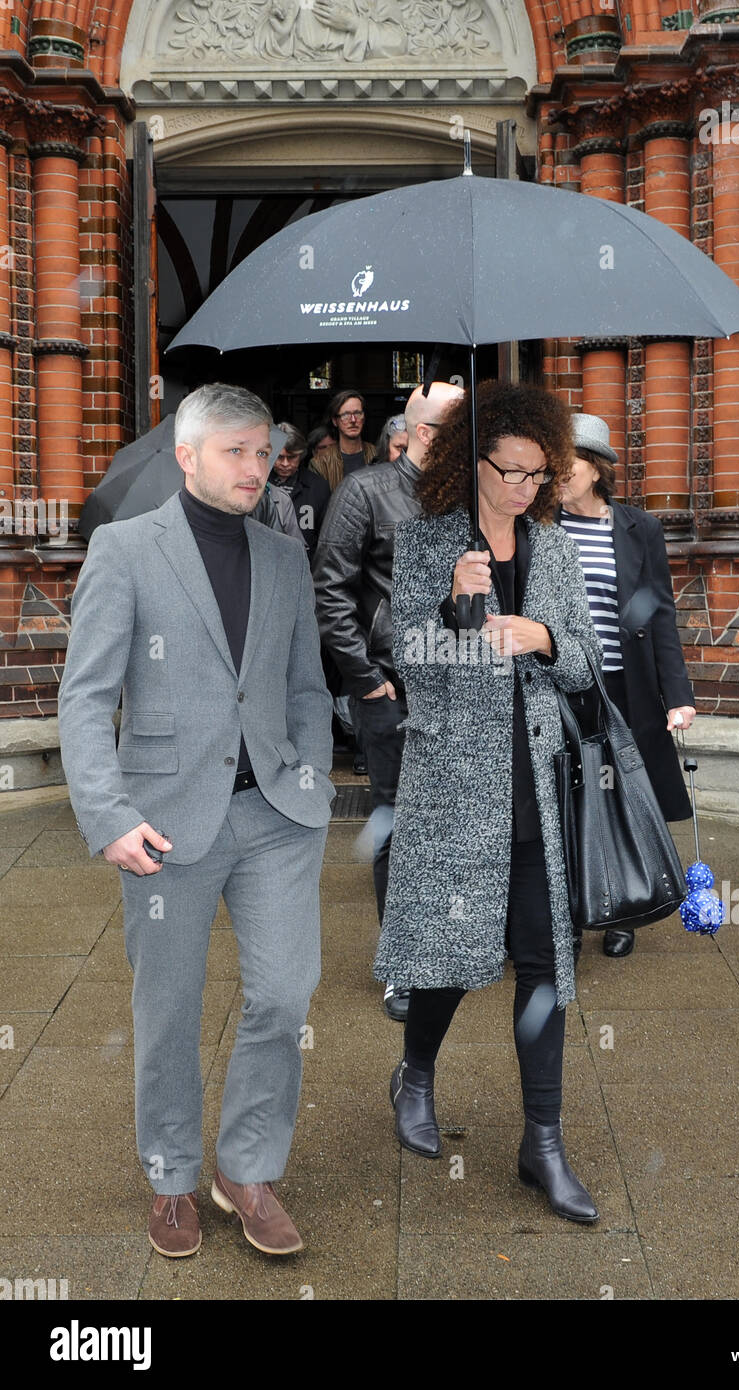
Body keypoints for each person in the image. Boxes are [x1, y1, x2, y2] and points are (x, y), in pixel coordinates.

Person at [57, 383, 335, 1259]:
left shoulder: (284, 555)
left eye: (265, 452)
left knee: (285, 993)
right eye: (237, 452)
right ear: (188, 456)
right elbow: (86, 695)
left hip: (277, 816)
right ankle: (173, 1178)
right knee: (168, 1008)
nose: (257, 468)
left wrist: (315, 778)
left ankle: (245, 1169)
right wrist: (108, 816)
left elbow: (303, 687)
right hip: (164, 824)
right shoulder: (125, 549)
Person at [374, 380, 603, 1224]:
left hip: (537, 787)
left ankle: (541, 1142)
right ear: (471, 461)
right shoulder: (429, 542)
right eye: (509, 471)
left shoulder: (556, 550)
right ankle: (416, 1073)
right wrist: (451, 604)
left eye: (539, 475)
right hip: (454, 784)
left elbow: (586, 667)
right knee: (448, 955)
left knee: (545, 964)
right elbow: (410, 663)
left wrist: (542, 637)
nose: (523, 489)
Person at [312, 380, 465, 1021]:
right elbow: (330, 589)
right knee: (397, 818)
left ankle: (453, 942)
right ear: (426, 433)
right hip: (390, 686)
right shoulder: (364, 491)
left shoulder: (469, 496)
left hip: (462, 682)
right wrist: (364, 677)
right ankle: (402, 962)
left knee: (457, 818)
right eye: (463, 432)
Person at [558, 413, 696, 959]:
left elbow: (660, 614)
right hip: (559, 684)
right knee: (564, 796)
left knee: (621, 796)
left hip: (623, 687)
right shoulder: (538, 526)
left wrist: (679, 695)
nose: (555, 478)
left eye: (564, 466)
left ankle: (623, 909)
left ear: (595, 470)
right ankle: (566, 911)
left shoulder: (640, 528)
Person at [267, 420, 332, 560]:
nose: (285, 464)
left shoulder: (318, 487)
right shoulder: (259, 486)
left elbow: (326, 540)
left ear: (301, 455)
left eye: (292, 457)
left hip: (307, 565)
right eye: (279, 457)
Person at [310, 389, 375, 490]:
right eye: (345, 415)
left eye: (357, 413)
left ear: (364, 418)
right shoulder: (321, 463)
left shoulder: (378, 455)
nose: (353, 420)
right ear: (335, 421)